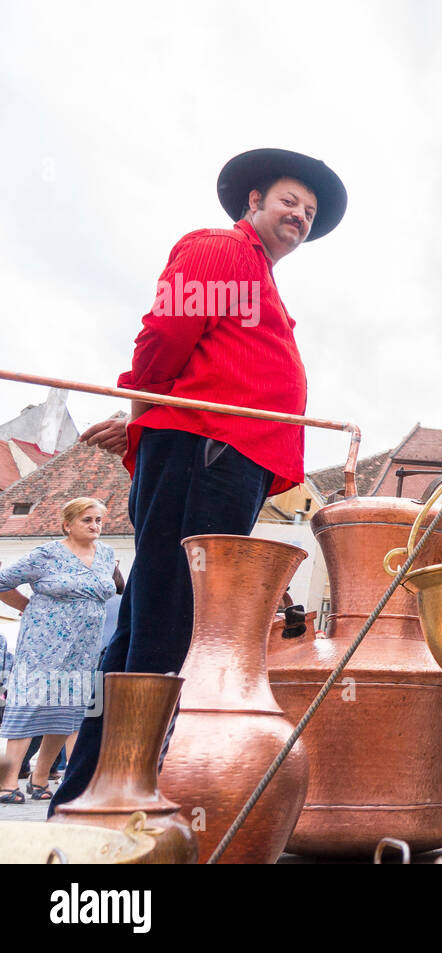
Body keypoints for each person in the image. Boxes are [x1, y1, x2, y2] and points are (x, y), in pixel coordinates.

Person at [49, 149, 346, 815]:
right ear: (253, 201)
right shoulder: (222, 249)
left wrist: (150, 426)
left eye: (310, 210)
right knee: (163, 623)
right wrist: (144, 419)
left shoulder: (261, 278)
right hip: (208, 450)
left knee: (153, 625)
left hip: (219, 454)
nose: (300, 213)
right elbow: (164, 337)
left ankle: (96, 789)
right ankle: (111, 796)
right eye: (289, 199)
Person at [0, 499, 116, 803]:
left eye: (98, 521)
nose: (94, 526)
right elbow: (1, 581)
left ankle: (40, 778)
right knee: (29, 706)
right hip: (43, 643)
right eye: (86, 520)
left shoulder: (106, 554)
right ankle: (7, 783)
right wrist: (25, 606)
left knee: (68, 711)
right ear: (68, 524)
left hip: (84, 645)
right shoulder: (46, 554)